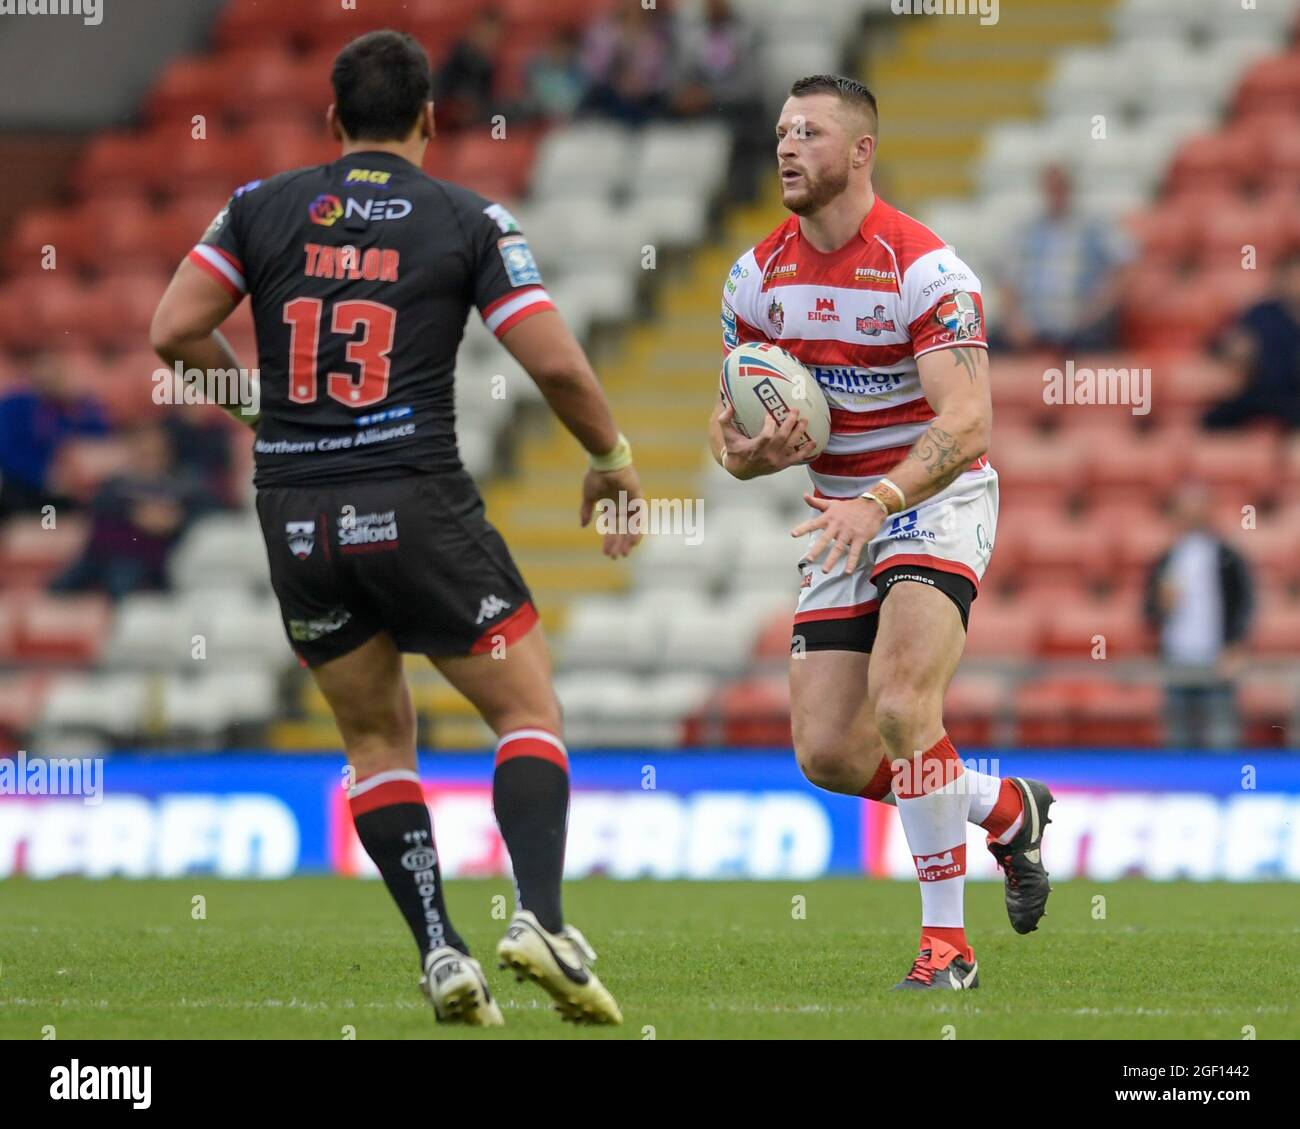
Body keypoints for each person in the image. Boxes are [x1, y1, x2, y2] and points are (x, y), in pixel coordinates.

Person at [151, 30, 641, 1027]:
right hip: (411, 497)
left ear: (332, 123)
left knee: (376, 740)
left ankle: (440, 951)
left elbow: (171, 329)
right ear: (431, 119)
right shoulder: (466, 216)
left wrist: (252, 408)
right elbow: (552, 364)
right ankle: (540, 917)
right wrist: (611, 458)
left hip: (294, 512)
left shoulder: (259, 206)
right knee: (525, 709)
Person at [709, 74, 1053, 991]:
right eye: (782, 130)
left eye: (810, 133)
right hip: (840, 514)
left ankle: (947, 948)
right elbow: (727, 432)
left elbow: (969, 420)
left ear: (860, 152)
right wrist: (752, 456)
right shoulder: (756, 277)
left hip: (934, 501)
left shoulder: (923, 268)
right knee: (830, 751)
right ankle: (1004, 805)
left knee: (903, 704)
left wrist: (882, 496)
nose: (786, 146)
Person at [1143, 483, 1253, 750]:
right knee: (1177, 739)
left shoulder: (1227, 557)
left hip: (1216, 662)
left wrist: (1234, 644)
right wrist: (1161, 605)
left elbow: (1244, 603)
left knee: (1222, 737)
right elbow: (1148, 612)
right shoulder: (1166, 560)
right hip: (1177, 661)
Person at [52, 423, 208, 601]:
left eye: (156, 453)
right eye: (144, 452)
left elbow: (205, 522)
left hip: (159, 564)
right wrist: (134, 516)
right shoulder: (113, 487)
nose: (150, 458)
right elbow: (97, 535)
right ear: (133, 451)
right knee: (63, 588)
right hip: (110, 559)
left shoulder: (186, 486)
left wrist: (175, 520)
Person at [995, 163, 1132, 353]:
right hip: (1033, 326)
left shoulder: (1094, 227)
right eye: (1050, 188)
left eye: (1059, 187)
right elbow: (1007, 281)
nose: (1054, 194)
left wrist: (1094, 312)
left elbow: (1124, 268)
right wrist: (1014, 321)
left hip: (1079, 327)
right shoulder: (1027, 230)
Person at [0, 353, 108, 519]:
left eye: (60, 370)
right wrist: (44, 475)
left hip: (72, 487)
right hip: (26, 487)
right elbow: (8, 452)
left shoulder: (80, 405)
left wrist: (76, 406)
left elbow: (99, 438)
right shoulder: (15, 404)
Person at [1203, 251, 1300, 431]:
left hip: (1294, 396)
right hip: (1260, 390)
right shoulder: (1262, 313)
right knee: (1213, 421)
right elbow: (1220, 343)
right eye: (1293, 275)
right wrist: (1234, 347)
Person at [433, 8, 503, 131]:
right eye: (486, 32)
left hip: (478, 116)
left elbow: (488, 98)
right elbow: (442, 89)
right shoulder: (456, 55)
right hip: (448, 114)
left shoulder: (490, 65)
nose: (488, 39)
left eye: (493, 35)